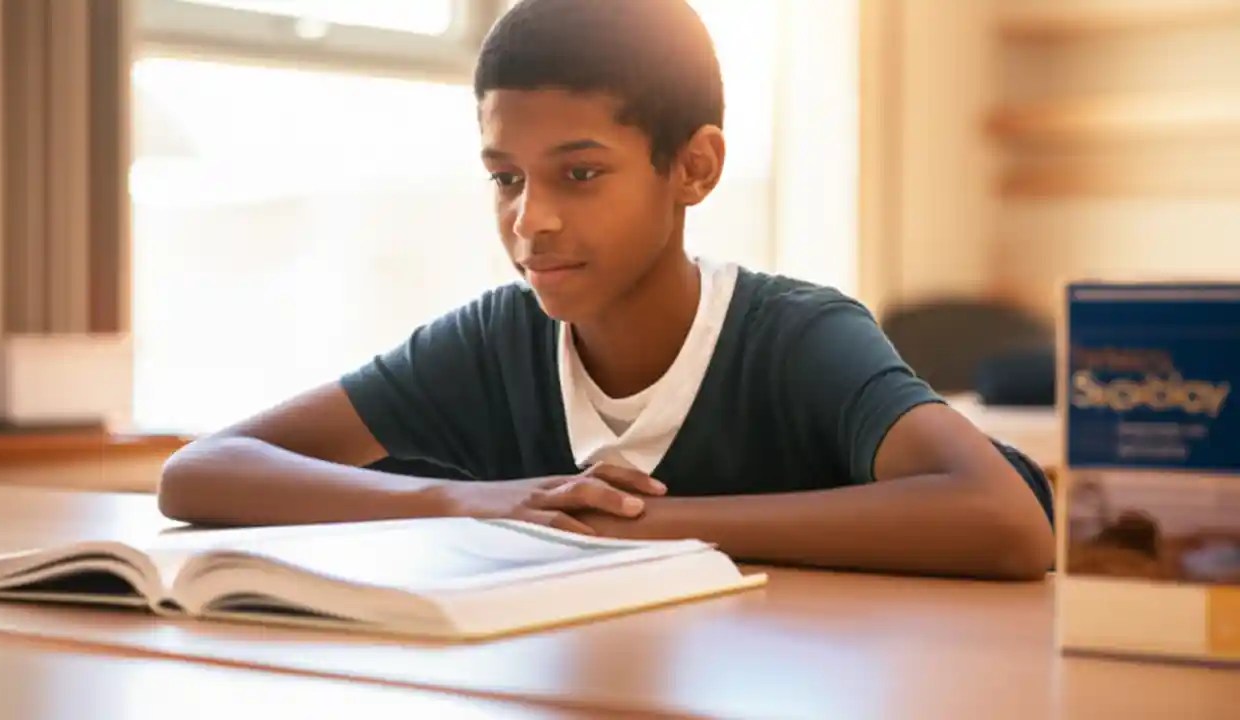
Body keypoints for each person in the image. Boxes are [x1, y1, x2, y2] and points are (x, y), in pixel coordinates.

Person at [158, 0, 1055, 580]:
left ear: (694, 167)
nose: (531, 220)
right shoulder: (494, 341)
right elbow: (201, 472)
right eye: (506, 178)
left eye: (579, 174)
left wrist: (634, 528)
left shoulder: (796, 336)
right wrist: (468, 500)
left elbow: (1006, 519)